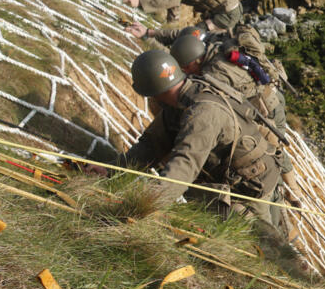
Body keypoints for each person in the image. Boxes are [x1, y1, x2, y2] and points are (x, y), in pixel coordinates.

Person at [121, 49, 285, 236]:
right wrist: (111, 169)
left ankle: (290, 262)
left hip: (251, 186)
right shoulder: (180, 100)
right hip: (226, 177)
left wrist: (146, 203)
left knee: (261, 244)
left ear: (153, 90)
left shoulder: (203, 112)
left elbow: (185, 165)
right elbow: (151, 145)